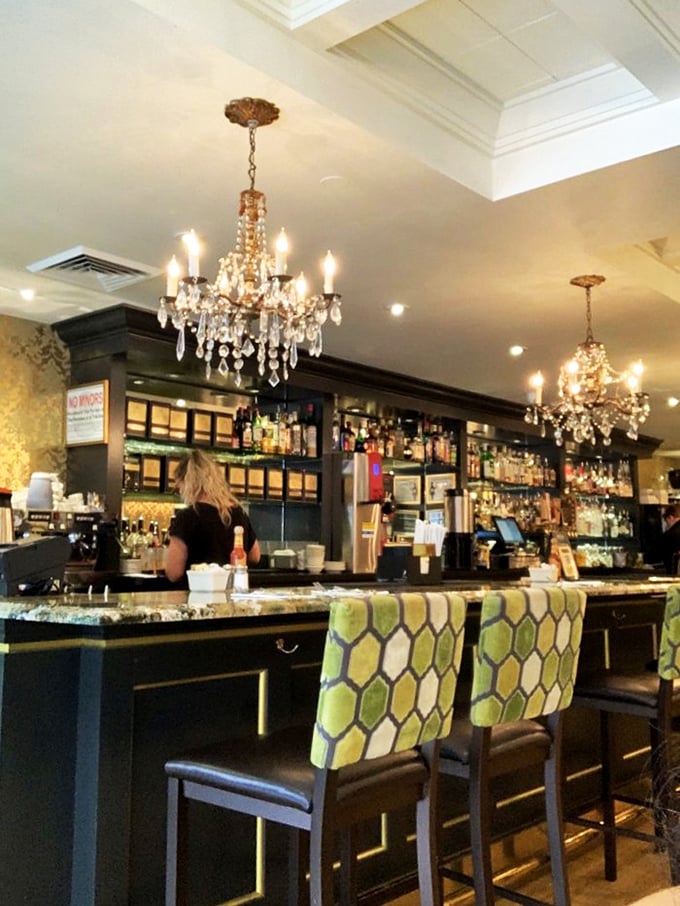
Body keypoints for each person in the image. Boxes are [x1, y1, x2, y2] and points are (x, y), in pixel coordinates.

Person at [165, 450, 261, 582]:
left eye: (179, 485)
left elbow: (174, 572)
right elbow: (255, 556)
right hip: (232, 593)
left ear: (188, 482)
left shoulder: (187, 517)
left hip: (197, 596)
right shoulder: (238, 513)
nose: (179, 490)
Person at [660, 504, 680, 576]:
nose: (667, 524)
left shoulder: (671, 534)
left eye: (666, 521)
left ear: (671, 517)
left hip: (674, 572)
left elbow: (660, 552)